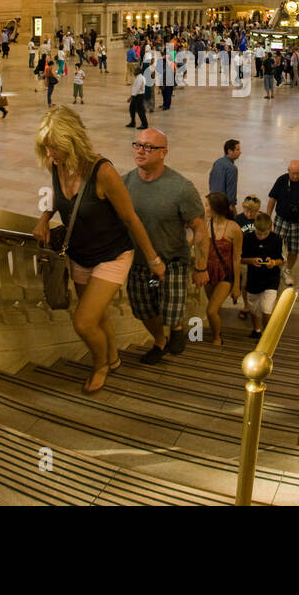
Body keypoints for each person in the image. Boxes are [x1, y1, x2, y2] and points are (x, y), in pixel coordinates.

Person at [33, 106, 161, 393]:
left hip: (113, 254)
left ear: (73, 141)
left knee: (83, 321)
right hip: (80, 253)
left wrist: (153, 258)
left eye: (56, 148)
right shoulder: (57, 164)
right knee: (98, 316)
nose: (51, 155)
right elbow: (55, 195)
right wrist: (43, 218)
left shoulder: (103, 172)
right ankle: (113, 357)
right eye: (47, 149)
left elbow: (130, 217)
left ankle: (100, 364)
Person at [123, 129, 208, 364]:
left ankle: (177, 329)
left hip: (172, 262)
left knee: (171, 310)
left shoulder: (181, 188)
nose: (140, 150)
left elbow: (200, 228)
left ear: (164, 153)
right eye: (137, 144)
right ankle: (160, 341)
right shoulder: (125, 183)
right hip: (138, 263)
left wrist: (201, 266)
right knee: (143, 310)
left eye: (148, 147)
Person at [202, 192, 243, 347]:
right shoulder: (205, 224)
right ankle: (216, 331)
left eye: (207, 206)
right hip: (208, 272)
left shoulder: (234, 229)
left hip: (225, 274)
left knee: (211, 310)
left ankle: (217, 339)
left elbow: (236, 258)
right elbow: (193, 244)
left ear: (215, 209)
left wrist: (237, 286)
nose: (204, 208)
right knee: (214, 308)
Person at [267, 159, 299, 286]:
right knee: (275, 245)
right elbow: (272, 199)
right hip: (281, 220)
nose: (295, 176)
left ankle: (287, 270)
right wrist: (268, 217)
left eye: (298, 173)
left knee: (295, 249)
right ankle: (274, 269)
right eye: (293, 173)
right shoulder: (281, 180)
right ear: (288, 171)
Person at [241, 212, 283, 339]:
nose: (262, 237)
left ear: (270, 229)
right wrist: (252, 261)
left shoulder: (277, 239)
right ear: (254, 228)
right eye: (259, 234)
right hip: (254, 278)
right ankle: (257, 330)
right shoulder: (248, 238)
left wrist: (273, 262)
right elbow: (241, 258)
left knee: (266, 309)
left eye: (265, 234)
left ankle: (268, 336)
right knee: (254, 309)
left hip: (271, 278)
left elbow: (281, 259)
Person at [208, 138, 240, 205]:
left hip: (212, 200)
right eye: (237, 150)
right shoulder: (232, 169)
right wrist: (231, 205)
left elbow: (210, 181)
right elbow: (231, 189)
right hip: (223, 204)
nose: (240, 152)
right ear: (230, 151)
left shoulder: (217, 162)